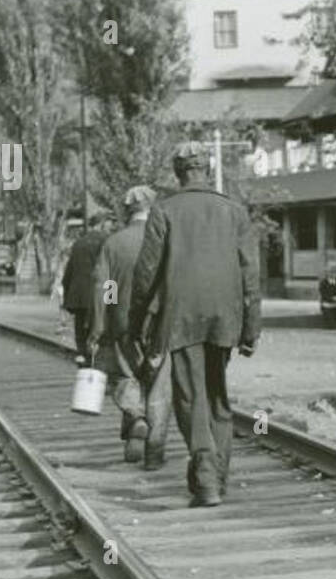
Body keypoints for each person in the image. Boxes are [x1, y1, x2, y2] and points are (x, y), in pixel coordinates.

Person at [129, 142, 261, 507]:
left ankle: (205, 475)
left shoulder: (164, 211)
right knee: (218, 394)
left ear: (178, 172)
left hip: (181, 317)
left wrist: (137, 322)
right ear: (207, 167)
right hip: (226, 317)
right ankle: (218, 474)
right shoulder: (234, 211)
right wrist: (252, 327)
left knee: (190, 395)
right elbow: (251, 273)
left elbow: (145, 275)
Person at [89, 185, 173, 466]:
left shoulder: (114, 243)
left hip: (123, 321)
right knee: (159, 382)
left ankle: (135, 416)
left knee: (127, 375)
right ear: (154, 207)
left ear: (127, 211)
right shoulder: (166, 238)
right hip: (160, 320)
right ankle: (155, 452)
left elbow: (106, 285)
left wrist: (103, 322)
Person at [62, 215, 107, 364]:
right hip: (99, 293)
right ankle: (95, 357)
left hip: (79, 294)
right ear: (101, 224)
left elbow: (69, 271)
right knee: (99, 325)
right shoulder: (107, 241)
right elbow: (109, 272)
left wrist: (67, 295)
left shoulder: (78, 243)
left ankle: (82, 354)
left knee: (80, 324)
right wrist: (112, 299)